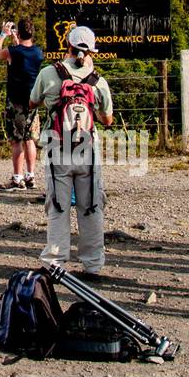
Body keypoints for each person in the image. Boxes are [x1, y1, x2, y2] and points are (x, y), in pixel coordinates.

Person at [29, 26, 114, 279]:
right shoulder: (98, 81)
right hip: (88, 150)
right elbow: (107, 119)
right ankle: (93, 264)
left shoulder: (48, 73)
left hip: (57, 146)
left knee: (58, 205)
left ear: (67, 44)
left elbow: (33, 101)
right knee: (91, 206)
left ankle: (54, 262)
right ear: (90, 51)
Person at [0, 19, 43, 191]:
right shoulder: (38, 52)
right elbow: (23, 52)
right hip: (32, 101)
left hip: (15, 102)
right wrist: (16, 39)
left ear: (19, 33)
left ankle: (17, 177)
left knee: (16, 140)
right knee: (30, 139)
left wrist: (3, 35)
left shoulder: (13, 52)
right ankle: (30, 176)